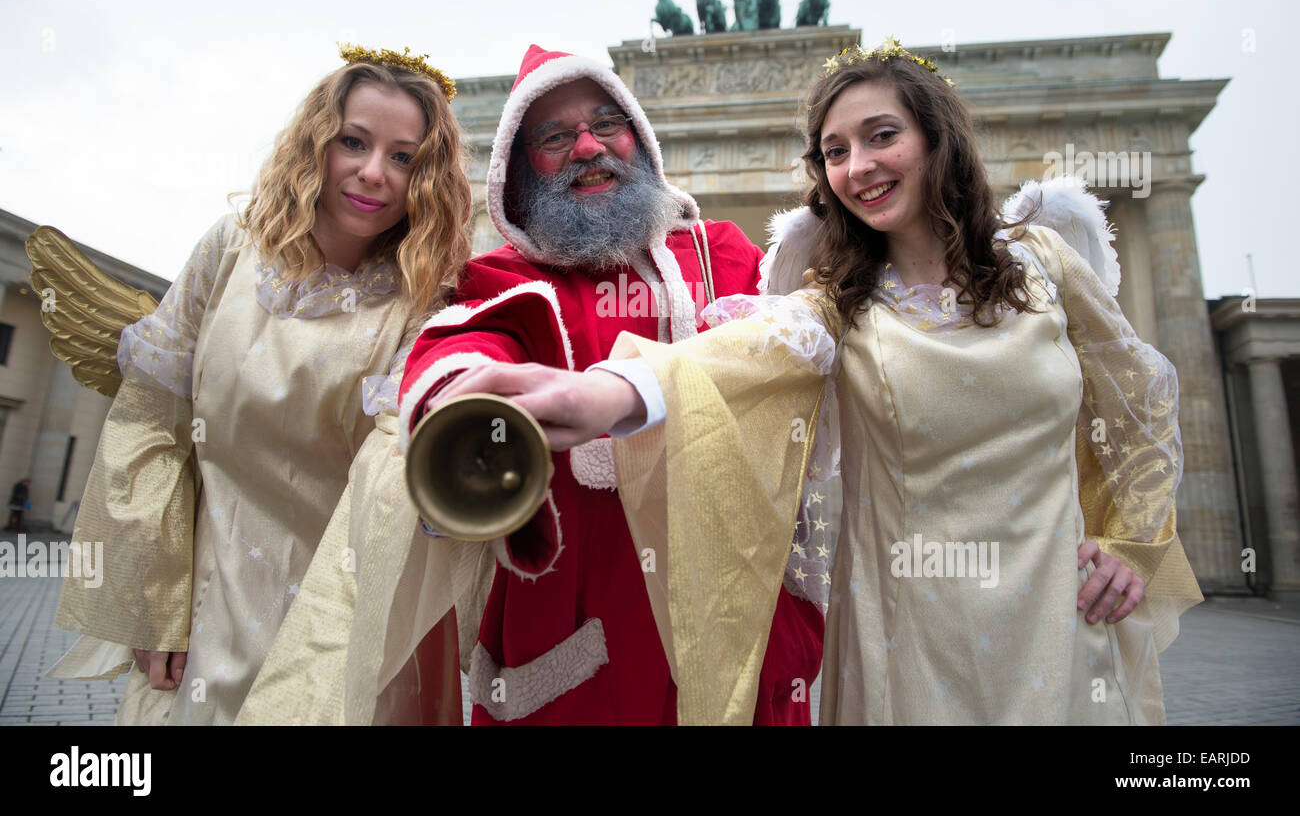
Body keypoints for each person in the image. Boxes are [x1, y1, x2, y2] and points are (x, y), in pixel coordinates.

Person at [465, 39, 1204, 725]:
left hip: (1057, 610)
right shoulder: (837, 299)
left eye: (883, 135)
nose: (860, 165)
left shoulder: (1043, 257)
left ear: (936, 137)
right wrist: (606, 394)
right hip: (913, 630)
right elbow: (742, 353)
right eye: (835, 151)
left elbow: (1134, 398)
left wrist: (1132, 540)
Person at [386, 44, 825, 726]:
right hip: (584, 642)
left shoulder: (725, 252)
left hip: (733, 616)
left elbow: (793, 358)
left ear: (640, 140)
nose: (588, 146)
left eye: (606, 124)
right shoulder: (503, 277)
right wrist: (465, 405)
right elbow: (464, 341)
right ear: (518, 168)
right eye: (556, 137)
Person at [47, 44, 473, 725]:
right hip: (208, 611)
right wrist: (155, 597)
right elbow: (153, 423)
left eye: (403, 157)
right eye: (353, 142)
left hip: (350, 621)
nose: (373, 173)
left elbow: (402, 483)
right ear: (315, 144)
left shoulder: (429, 301)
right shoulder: (229, 249)